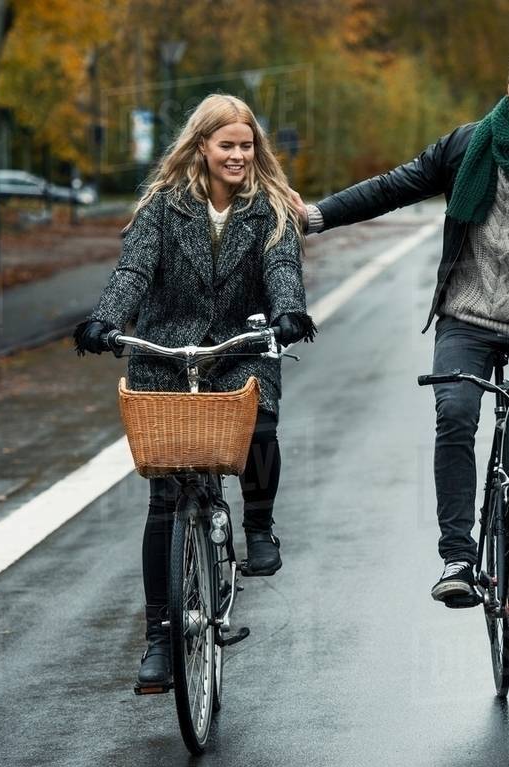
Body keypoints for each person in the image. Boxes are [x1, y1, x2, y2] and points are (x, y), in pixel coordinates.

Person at [296, 42, 509, 634]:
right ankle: (458, 558)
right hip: (466, 320)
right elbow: (398, 185)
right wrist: (319, 216)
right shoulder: (469, 145)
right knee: (456, 412)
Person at [74, 94, 315, 686]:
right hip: (168, 354)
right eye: (226, 145)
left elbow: (282, 268)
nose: (237, 155)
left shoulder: (273, 208)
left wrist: (287, 312)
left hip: (238, 349)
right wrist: (107, 319)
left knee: (259, 421)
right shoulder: (161, 207)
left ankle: (258, 525)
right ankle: (158, 639)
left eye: (246, 145)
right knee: (163, 503)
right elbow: (134, 270)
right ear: (202, 147)